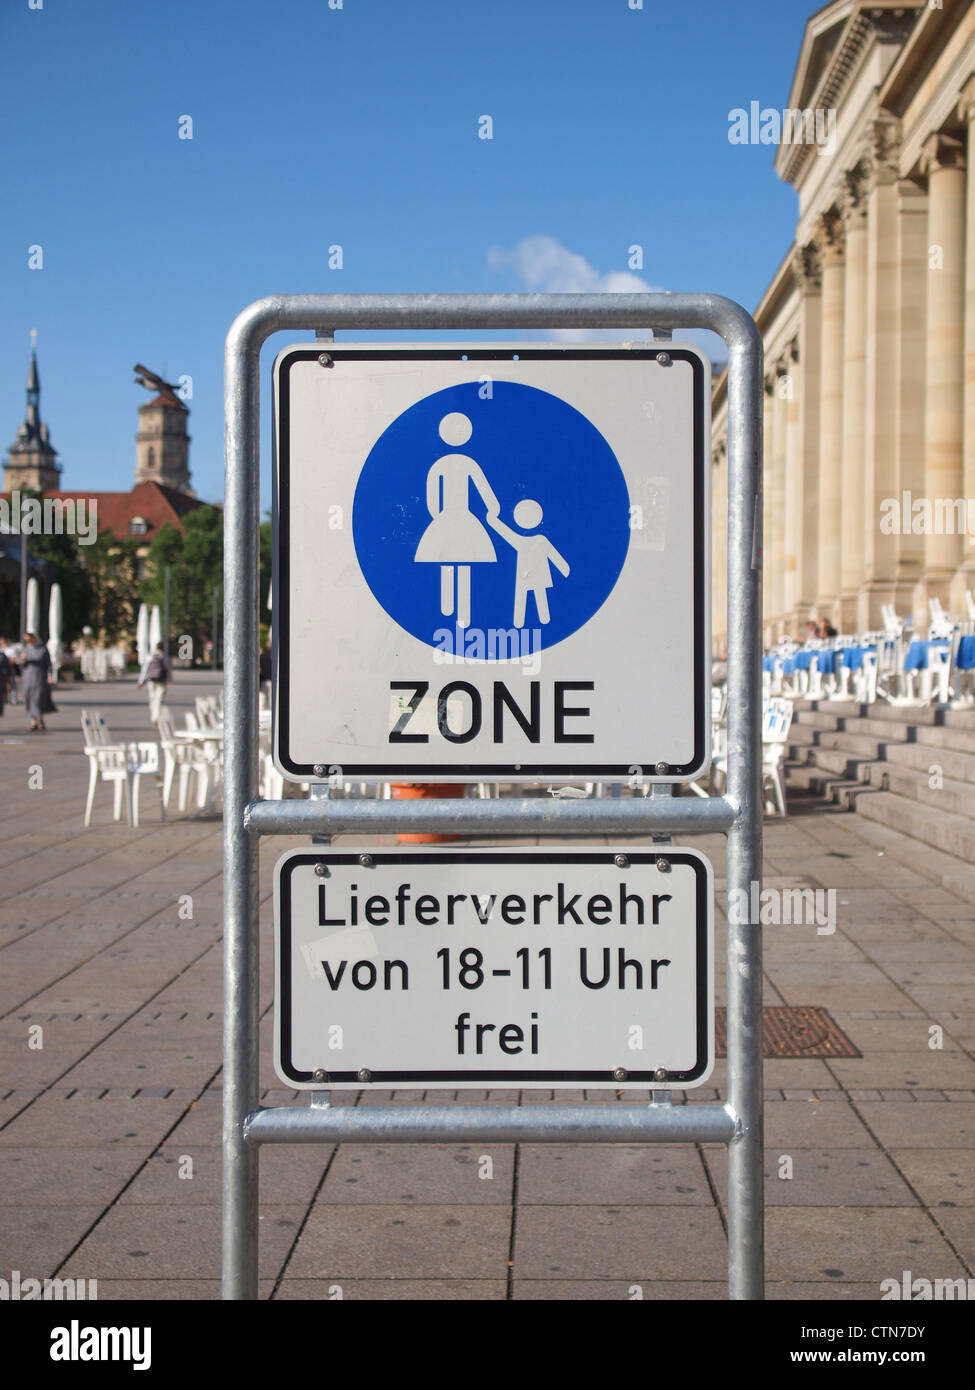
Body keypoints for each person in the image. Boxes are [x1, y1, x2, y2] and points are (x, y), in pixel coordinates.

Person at [19, 631, 53, 732]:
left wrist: (50, 675)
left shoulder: (42, 649)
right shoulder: (26, 649)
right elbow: (21, 665)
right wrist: (23, 660)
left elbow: (48, 664)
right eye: (26, 640)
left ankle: (41, 720)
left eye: (29, 639)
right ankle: (33, 721)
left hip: (40, 677)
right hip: (27, 678)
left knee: (38, 698)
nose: (28, 642)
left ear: (34, 639)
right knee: (28, 698)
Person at [138, 641, 170, 723]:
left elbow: (145, 669)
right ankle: (156, 716)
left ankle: (153, 715)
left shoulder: (150, 656)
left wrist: (141, 681)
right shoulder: (164, 656)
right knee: (159, 699)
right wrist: (169, 679)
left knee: (152, 698)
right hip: (161, 680)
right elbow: (167, 669)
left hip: (151, 680)